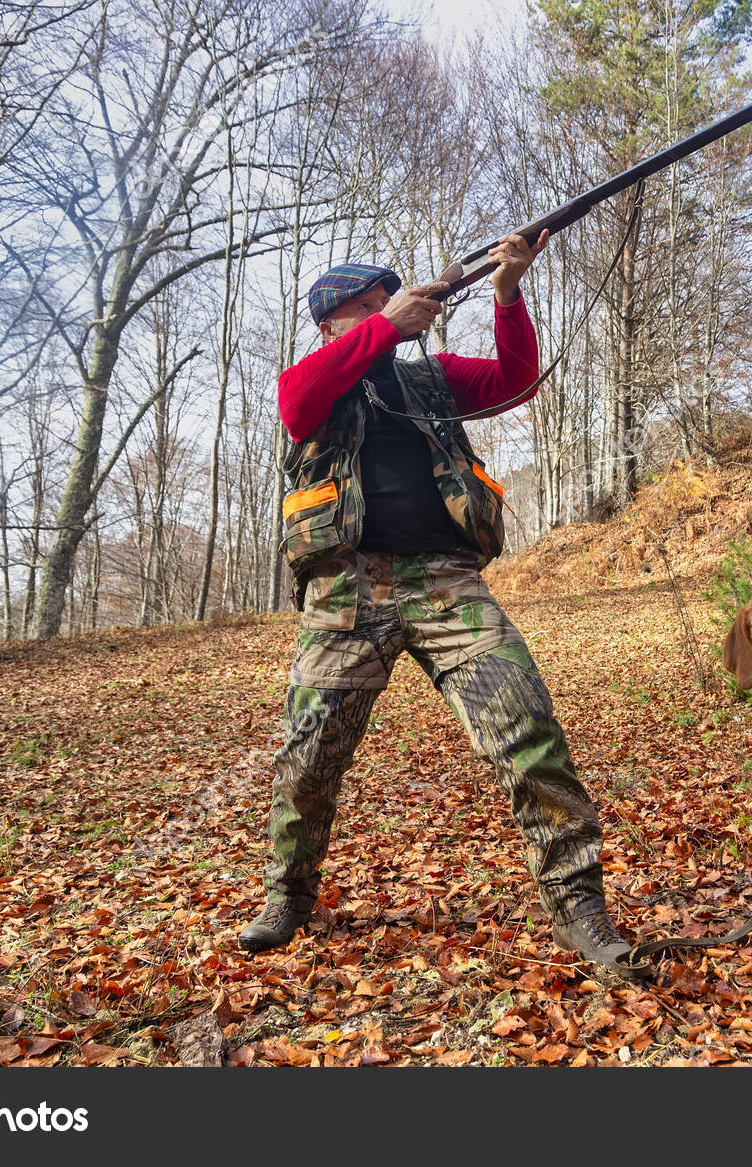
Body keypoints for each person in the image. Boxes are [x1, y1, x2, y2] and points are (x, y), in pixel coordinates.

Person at [239, 231, 639, 973]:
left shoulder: (428, 379)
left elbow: (517, 382)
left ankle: (579, 903)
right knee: (308, 760)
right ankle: (288, 895)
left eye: (383, 301)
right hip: (346, 588)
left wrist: (509, 292)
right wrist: (389, 322)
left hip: (447, 582)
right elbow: (296, 402)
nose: (381, 313)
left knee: (527, 727)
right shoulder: (317, 379)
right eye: (362, 308)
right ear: (330, 326)